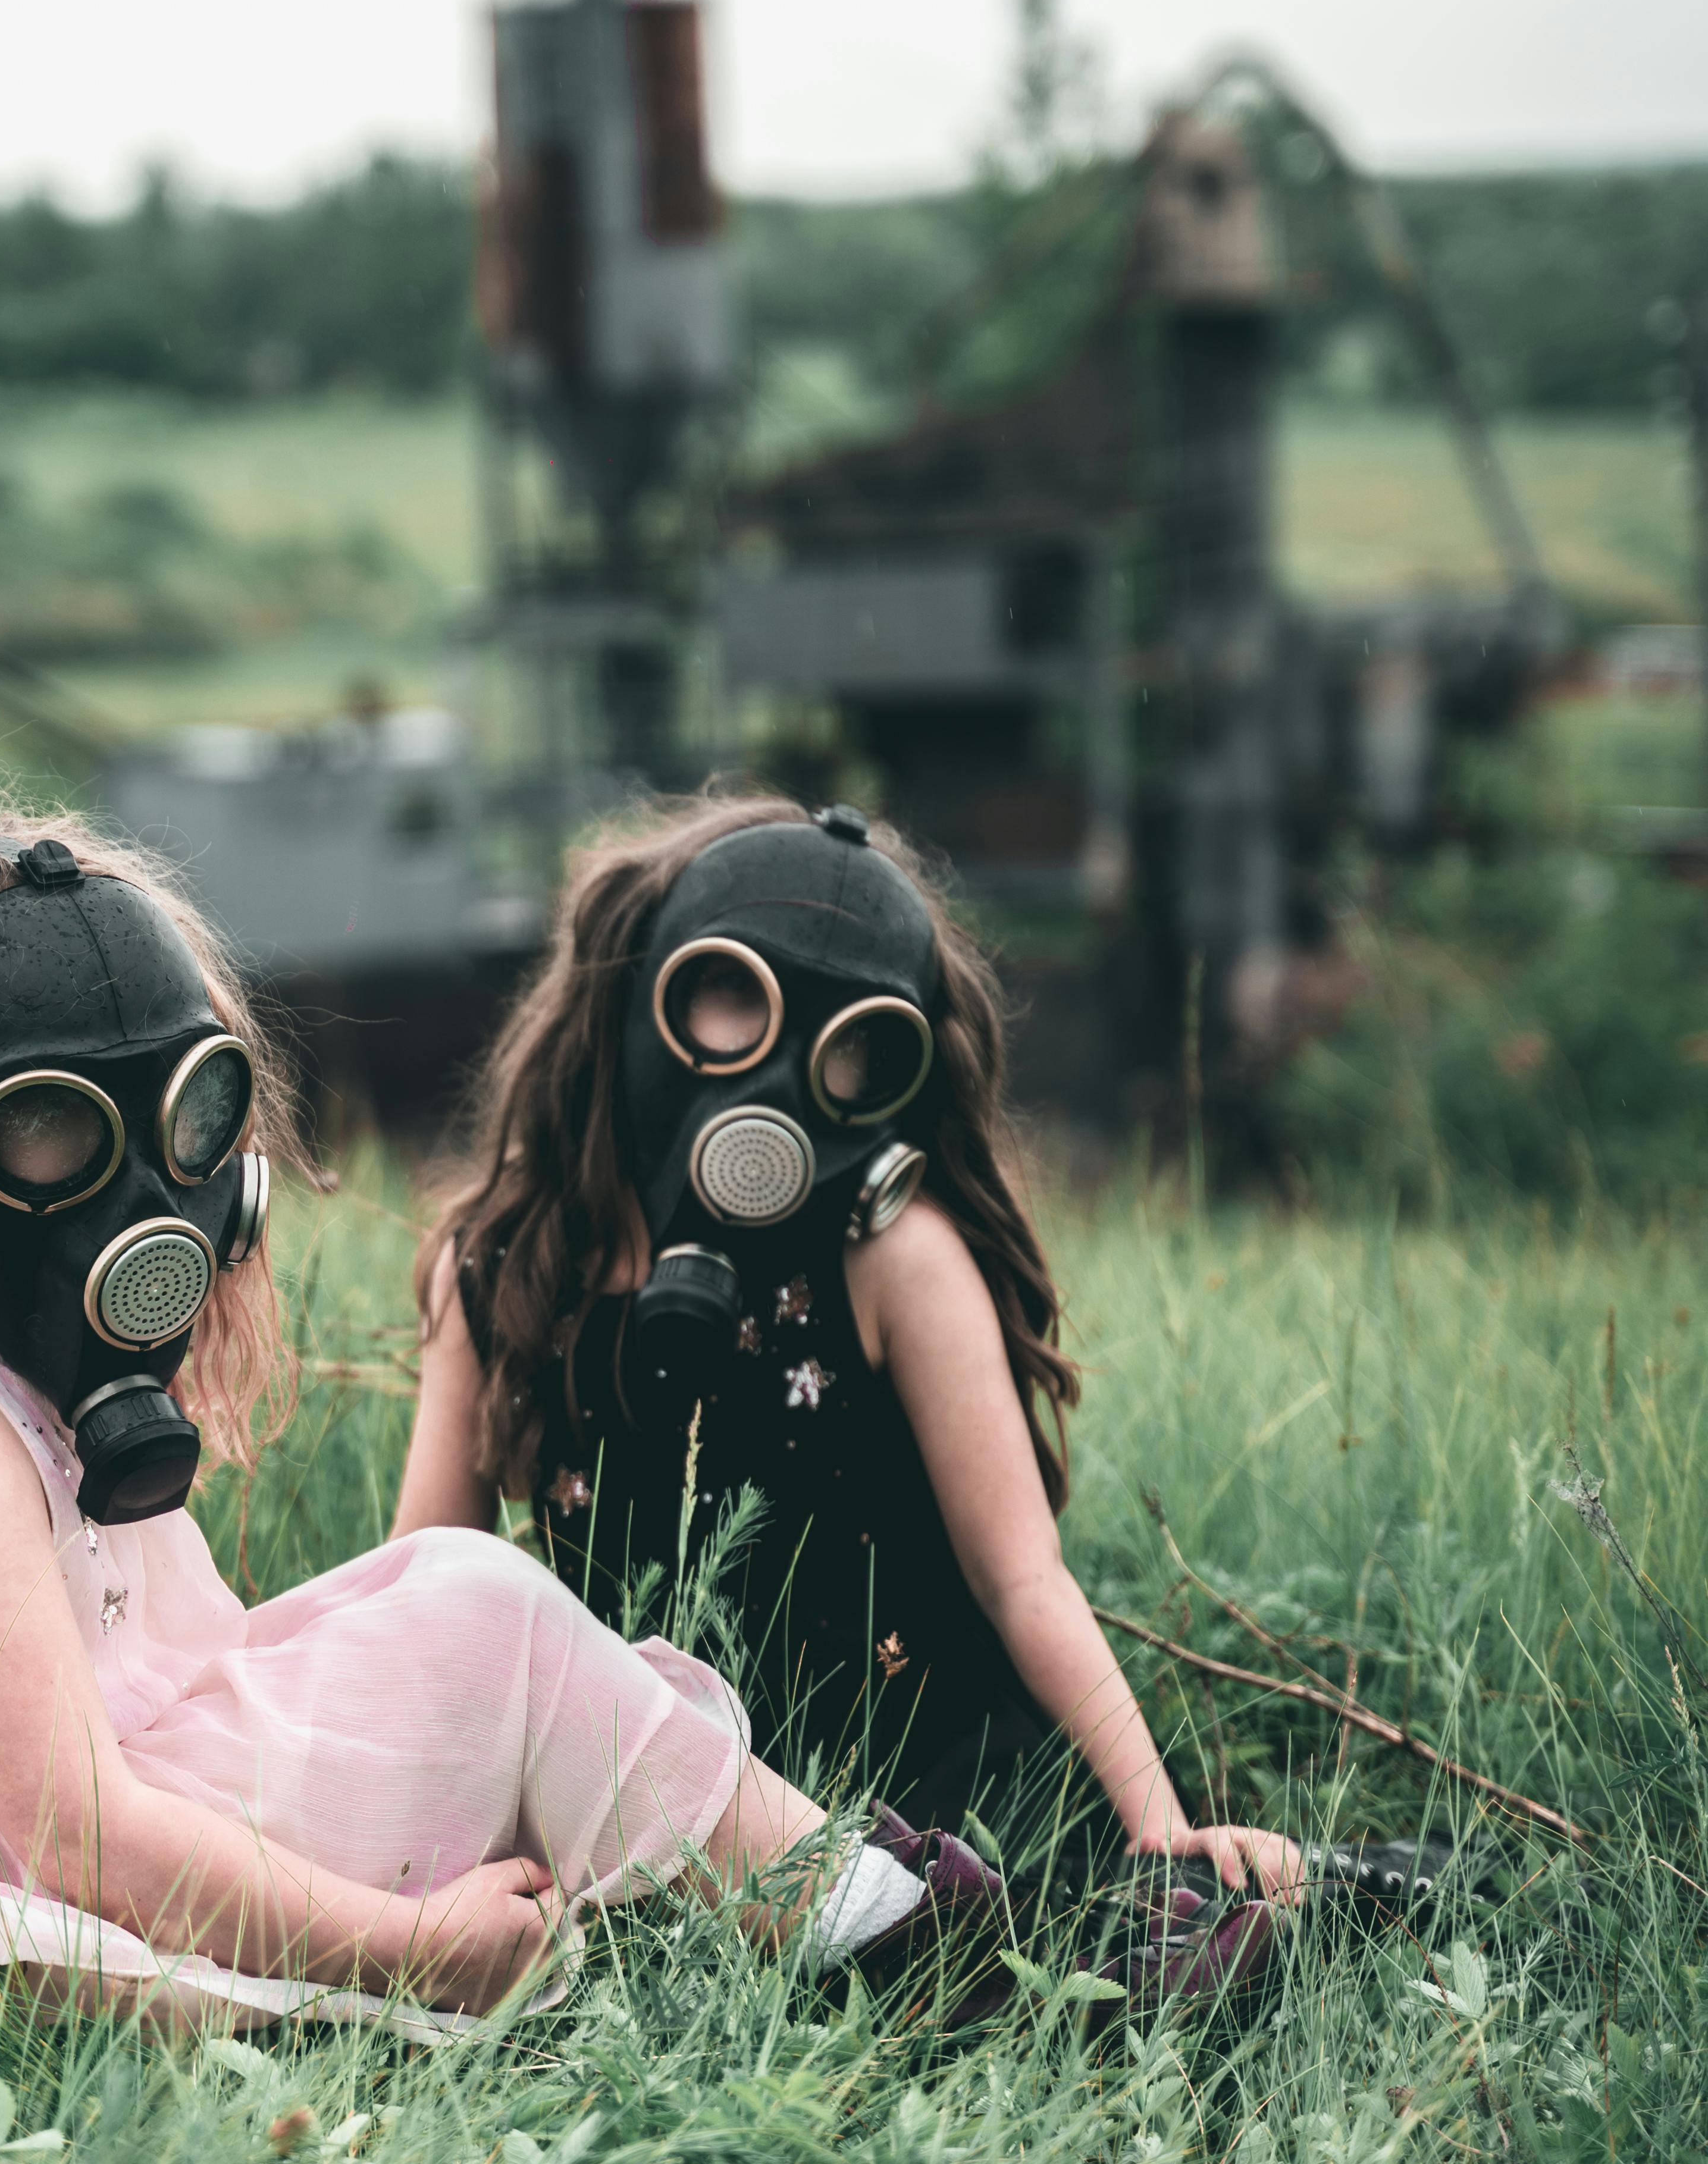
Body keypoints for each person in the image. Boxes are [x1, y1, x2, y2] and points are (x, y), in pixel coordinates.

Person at [0, 792, 1003, 2034]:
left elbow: (177, 1678)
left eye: (187, 1123)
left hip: (23, 1814)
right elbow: (78, 1833)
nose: (155, 1211)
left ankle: (837, 1888)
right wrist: (408, 1947)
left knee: (460, 1606)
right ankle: (876, 1930)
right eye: (48, 1135)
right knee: (481, 1610)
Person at [395, 794, 1300, 1909]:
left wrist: (1161, 1830)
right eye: (729, 994)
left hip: (938, 1794)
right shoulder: (497, 1270)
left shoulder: (891, 1261)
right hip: (664, 1821)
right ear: (632, 994)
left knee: (1077, 1938)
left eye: (852, 1044)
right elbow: (433, 1600)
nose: (772, 1076)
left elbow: (1019, 1577)